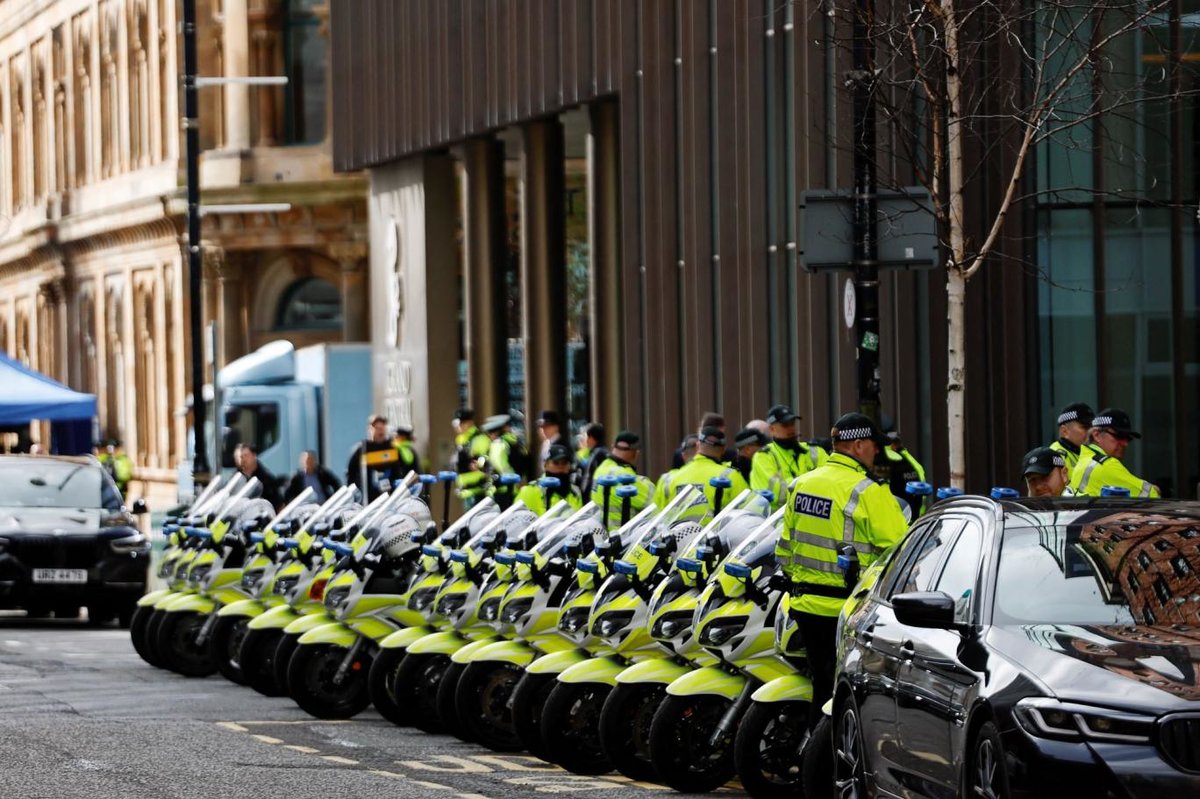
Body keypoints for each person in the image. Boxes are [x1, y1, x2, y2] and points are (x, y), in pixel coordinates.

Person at [777, 411, 909, 729]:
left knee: (822, 686)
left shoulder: (802, 485)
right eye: (874, 446)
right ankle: (833, 764)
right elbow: (902, 551)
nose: (876, 452)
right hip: (849, 611)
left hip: (804, 606)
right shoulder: (868, 491)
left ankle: (812, 759)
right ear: (859, 445)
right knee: (849, 694)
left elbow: (785, 548)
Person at [1068, 408, 1160, 498]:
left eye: (1128, 438)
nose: (1125, 443)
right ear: (1096, 435)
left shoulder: (1084, 460)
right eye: (1119, 436)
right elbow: (1152, 495)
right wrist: (1156, 489)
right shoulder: (1106, 465)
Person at [751, 404, 827, 510]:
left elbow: (830, 481)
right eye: (785, 425)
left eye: (792, 424)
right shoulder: (763, 456)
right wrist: (814, 484)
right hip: (777, 522)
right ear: (772, 429)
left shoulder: (815, 450)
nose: (791, 428)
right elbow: (778, 492)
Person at [657, 426, 749, 513]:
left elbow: (657, 517)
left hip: (677, 529)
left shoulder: (668, 479)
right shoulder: (731, 476)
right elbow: (748, 511)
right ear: (723, 449)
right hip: (716, 530)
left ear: (697, 445)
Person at [590, 431, 656, 528]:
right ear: (635, 452)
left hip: (601, 535)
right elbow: (653, 499)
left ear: (613, 447)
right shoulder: (625, 476)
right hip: (623, 537)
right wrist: (645, 481)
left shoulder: (600, 469)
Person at [345, 414, 406, 502]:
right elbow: (350, 473)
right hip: (368, 499)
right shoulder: (362, 449)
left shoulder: (393, 448)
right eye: (377, 428)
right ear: (370, 430)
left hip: (391, 497)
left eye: (382, 428)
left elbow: (402, 469)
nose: (380, 431)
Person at [516, 443, 583, 515]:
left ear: (569, 466)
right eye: (556, 463)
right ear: (545, 465)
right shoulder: (530, 491)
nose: (560, 466)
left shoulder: (575, 492)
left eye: (564, 463)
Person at [882, 427, 927, 516]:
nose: (894, 446)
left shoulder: (901, 457)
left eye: (895, 443)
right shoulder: (904, 457)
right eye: (892, 443)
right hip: (908, 509)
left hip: (908, 510)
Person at [453, 408, 493, 508]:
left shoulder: (479, 438)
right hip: (466, 491)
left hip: (478, 491)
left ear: (469, 423)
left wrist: (480, 464)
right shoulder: (461, 440)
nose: (458, 427)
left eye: (461, 423)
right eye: (456, 423)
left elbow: (488, 459)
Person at [1048, 402, 1094, 472]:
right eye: (1085, 427)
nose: (1091, 432)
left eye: (1093, 427)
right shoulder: (1055, 457)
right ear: (1065, 431)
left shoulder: (1090, 451)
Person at [236, 443, 282, 509]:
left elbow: (277, 503)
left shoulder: (267, 478)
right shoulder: (237, 476)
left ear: (254, 455)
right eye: (242, 457)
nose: (243, 459)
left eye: (246, 456)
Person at [576, 423, 608, 496]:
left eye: (585, 436)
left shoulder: (597, 454)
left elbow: (589, 478)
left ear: (591, 437)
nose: (584, 440)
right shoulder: (603, 452)